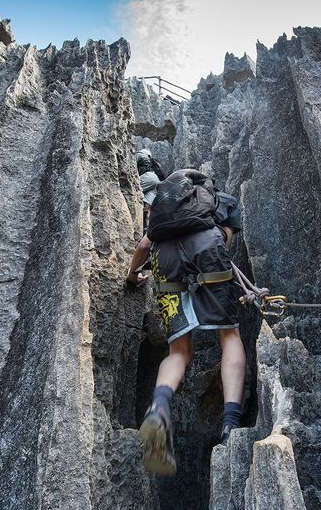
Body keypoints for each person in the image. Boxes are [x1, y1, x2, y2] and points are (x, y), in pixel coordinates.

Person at [125, 169, 244, 476]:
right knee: (228, 335)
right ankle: (231, 424)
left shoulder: (164, 212)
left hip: (163, 259)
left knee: (178, 350)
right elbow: (225, 242)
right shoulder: (219, 201)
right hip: (208, 249)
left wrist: (132, 275)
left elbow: (142, 247)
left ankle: (160, 406)